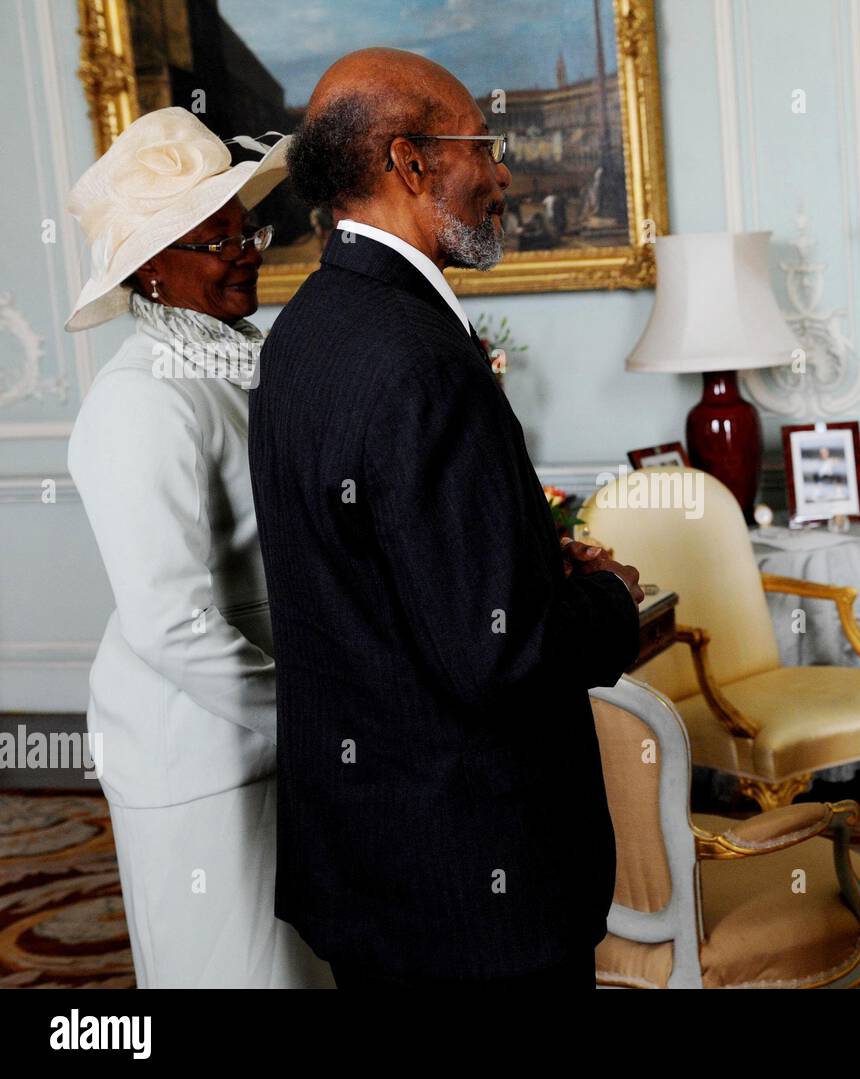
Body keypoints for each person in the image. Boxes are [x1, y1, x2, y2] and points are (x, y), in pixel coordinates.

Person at [248, 47, 644, 988]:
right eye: (485, 145)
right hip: (472, 880)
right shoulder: (420, 355)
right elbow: (495, 658)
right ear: (411, 162)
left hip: (371, 860)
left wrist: (535, 567)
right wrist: (610, 602)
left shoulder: (302, 328)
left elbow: (385, 575)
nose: (503, 172)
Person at [64, 107, 334, 987]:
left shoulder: (244, 361)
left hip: (267, 728)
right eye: (216, 242)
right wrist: (308, 720)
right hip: (201, 753)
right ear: (151, 269)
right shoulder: (136, 401)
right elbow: (169, 624)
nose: (248, 250)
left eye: (245, 229)